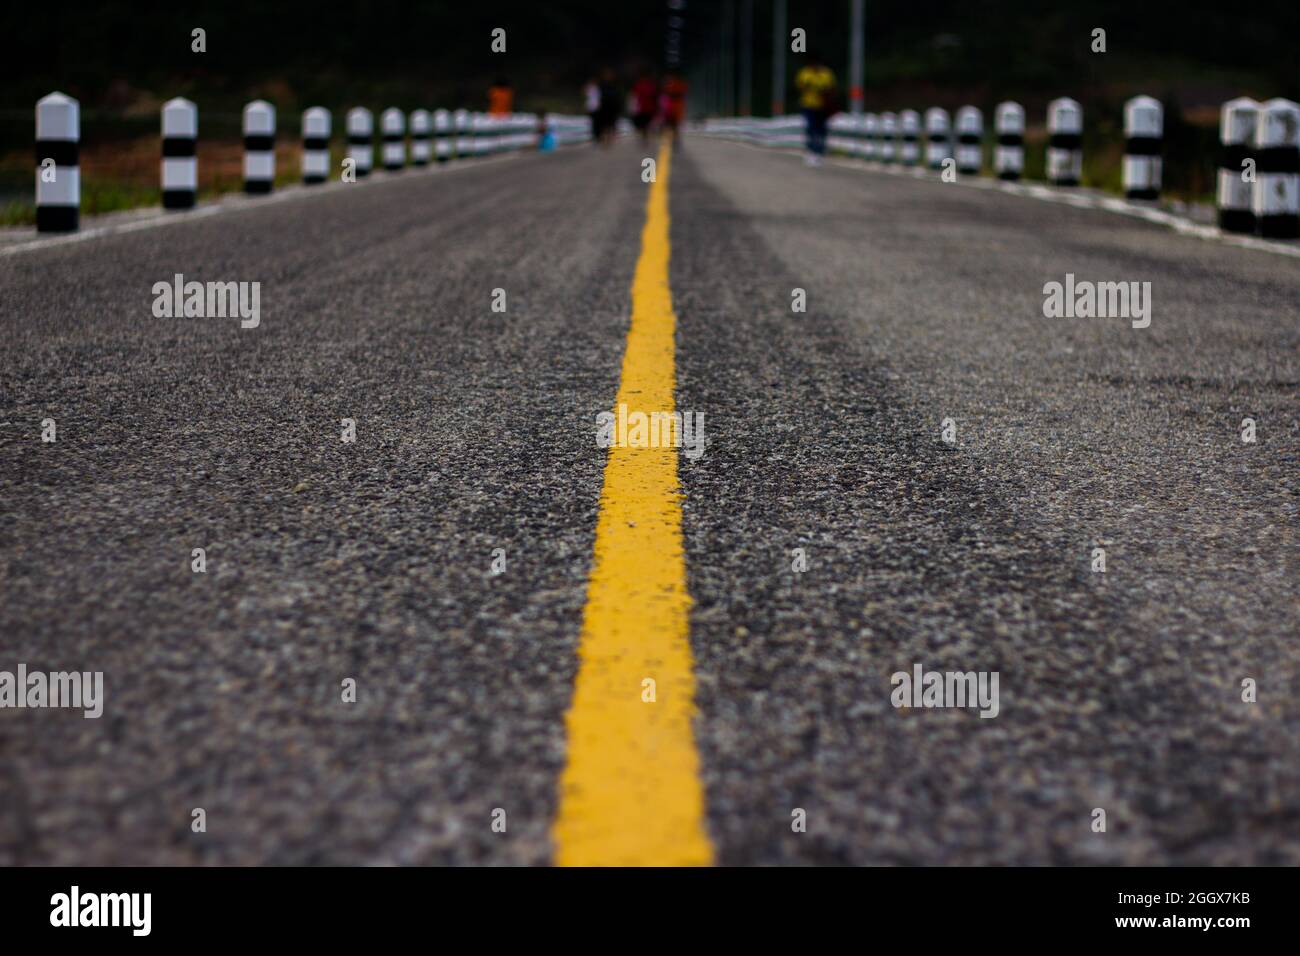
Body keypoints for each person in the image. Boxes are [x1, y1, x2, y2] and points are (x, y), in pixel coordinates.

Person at [794, 53, 836, 165]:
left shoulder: (826, 74)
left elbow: (832, 89)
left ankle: (819, 151)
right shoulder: (805, 73)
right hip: (808, 105)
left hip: (823, 106)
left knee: (821, 130)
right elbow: (800, 87)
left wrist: (824, 92)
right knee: (810, 128)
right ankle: (811, 151)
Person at [631, 71, 659, 142]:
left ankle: (644, 135)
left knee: (644, 124)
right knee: (644, 124)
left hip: (645, 108)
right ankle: (645, 135)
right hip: (644, 108)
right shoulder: (648, 85)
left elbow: (634, 96)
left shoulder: (641, 85)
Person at [660, 73, 688, 138]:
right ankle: (673, 134)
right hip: (673, 106)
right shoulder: (680, 84)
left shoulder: (673, 85)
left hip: (673, 106)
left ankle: (672, 134)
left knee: (672, 122)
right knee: (672, 122)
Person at [583, 78, 601, 142]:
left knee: (595, 122)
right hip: (591, 107)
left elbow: (599, 98)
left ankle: (596, 135)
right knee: (592, 122)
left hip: (595, 107)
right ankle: (594, 135)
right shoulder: (590, 89)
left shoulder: (597, 89)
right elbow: (586, 95)